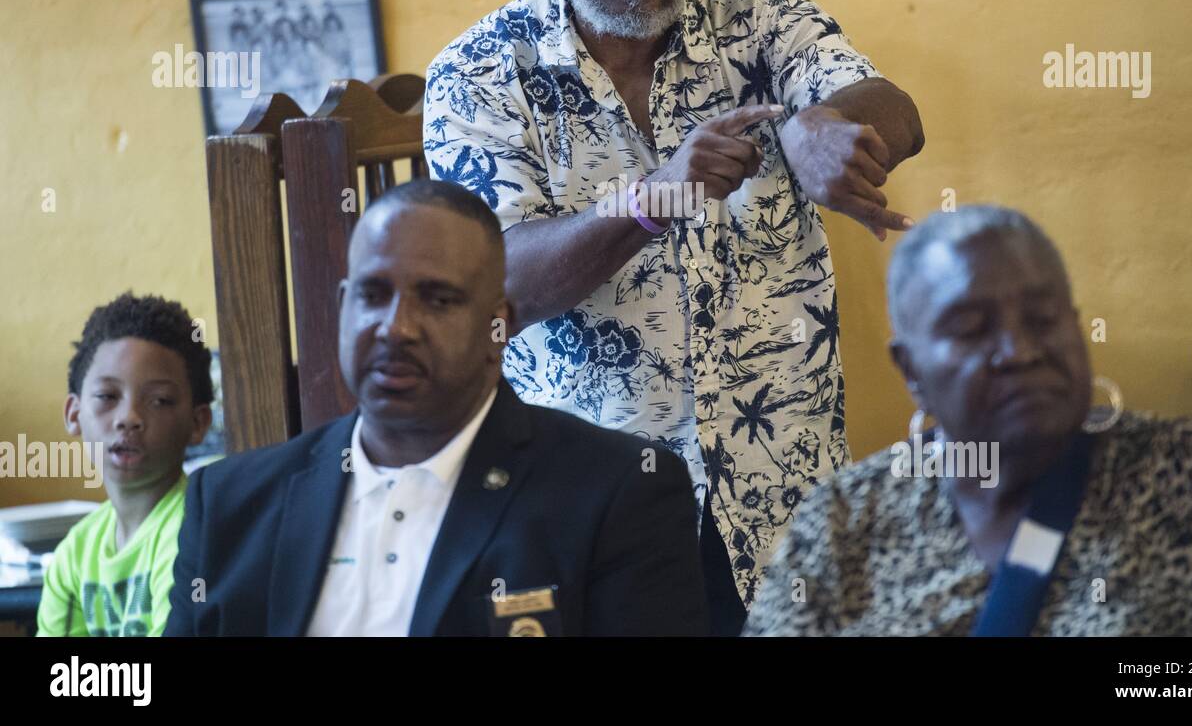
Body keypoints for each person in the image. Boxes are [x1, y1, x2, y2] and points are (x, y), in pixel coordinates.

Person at [424, 0, 925, 632]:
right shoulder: (479, 73)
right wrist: (657, 198)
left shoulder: (764, 22)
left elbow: (897, 111)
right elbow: (493, 285)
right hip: (587, 499)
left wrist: (818, 126)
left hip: (782, 491)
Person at [165, 179, 707, 636]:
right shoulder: (231, 506)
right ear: (340, 309)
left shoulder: (616, 495)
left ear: (498, 326)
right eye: (373, 295)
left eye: (438, 299)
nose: (395, 328)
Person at [744, 205, 1192, 635]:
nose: (1018, 350)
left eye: (1041, 318)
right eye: (971, 328)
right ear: (911, 369)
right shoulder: (845, 521)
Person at [38, 293, 213, 636]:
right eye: (107, 397)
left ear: (197, 422)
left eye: (159, 401)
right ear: (74, 414)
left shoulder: (196, 530)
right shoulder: (73, 553)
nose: (129, 418)